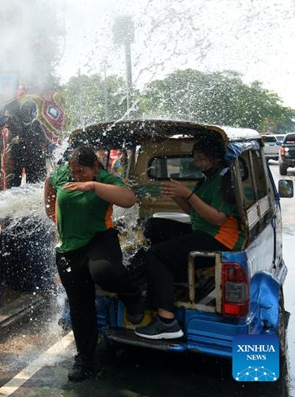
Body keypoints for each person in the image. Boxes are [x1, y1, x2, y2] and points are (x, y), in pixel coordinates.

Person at [45, 146, 143, 381]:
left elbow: (129, 199)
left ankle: (132, 297)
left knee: (104, 272)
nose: (76, 176)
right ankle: (85, 361)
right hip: (69, 248)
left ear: (95, 168)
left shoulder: (104, 179)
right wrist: (51, 211)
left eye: (82, 172)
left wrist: (93, 186)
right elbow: (49, 183)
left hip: (99, 238)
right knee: (80, 307)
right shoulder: (63, 174)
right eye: (73, 170)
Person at [135, 137, 244, 340]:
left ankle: (167, 322)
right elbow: (194, 212)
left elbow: (218, 219)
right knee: (153, 226)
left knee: (156, 255)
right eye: (196, 159)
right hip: (202, 231)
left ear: (216, 157)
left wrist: (188, 194)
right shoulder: (206, 179)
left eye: (202, 159)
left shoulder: (224, 179)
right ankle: (170, 275)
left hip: (220, 238)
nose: (199, 163)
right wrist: (178, 196)